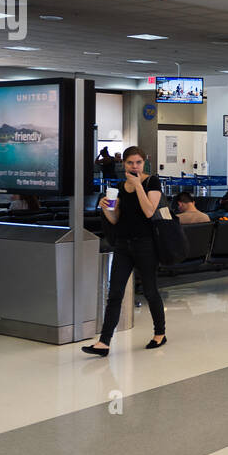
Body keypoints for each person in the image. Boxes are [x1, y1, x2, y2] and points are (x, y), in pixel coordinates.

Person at [84, 146, 167, 356]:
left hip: (146, 244)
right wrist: (106, 208)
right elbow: (115, 219)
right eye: (130, 163)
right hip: (123, 244)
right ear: (124, 164)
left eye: (138, 162)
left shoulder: (152, 182)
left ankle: (160, 333)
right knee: (115, 293)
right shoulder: (120, 186)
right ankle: (104, 342)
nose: (134, 166)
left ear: (143, 164)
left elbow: (149, 211)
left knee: (150, 290)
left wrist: (138, 185)